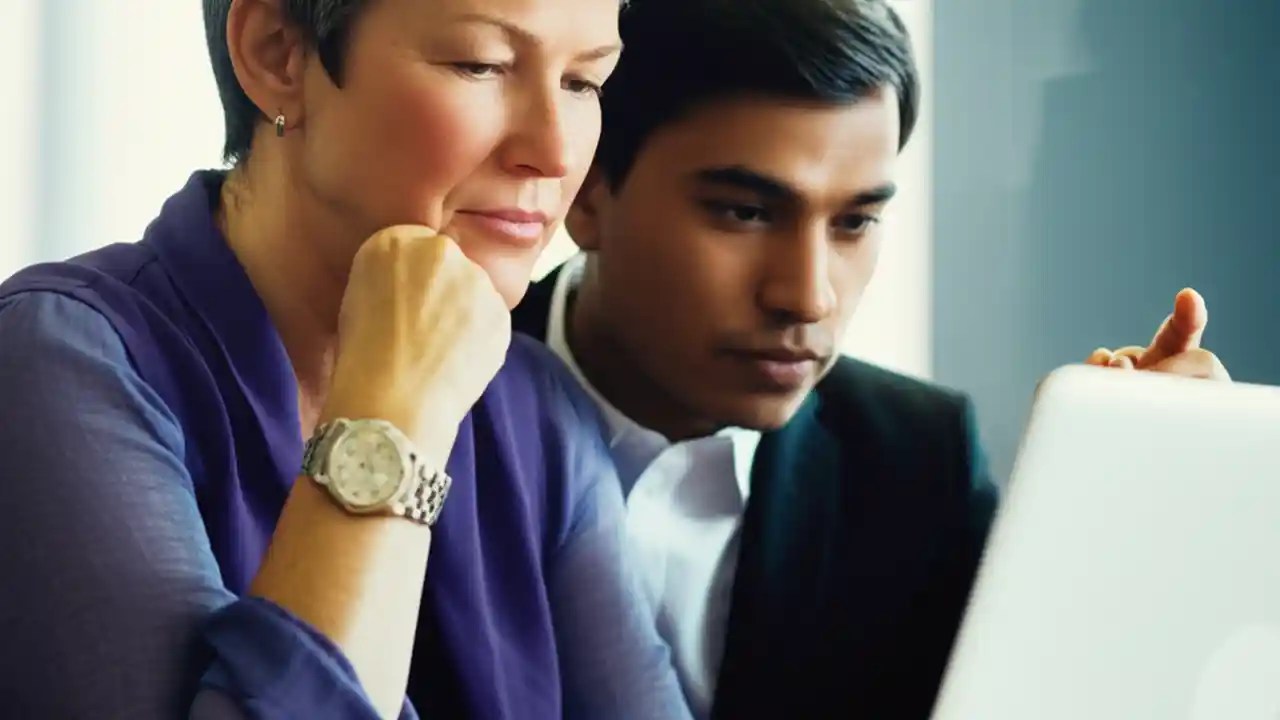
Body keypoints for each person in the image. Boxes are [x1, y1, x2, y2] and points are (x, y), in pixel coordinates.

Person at [511, 0, 1231, 718]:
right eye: (744, 211)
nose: (809, 295)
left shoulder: (919, 462)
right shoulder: (428, 391)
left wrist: (1138, 532)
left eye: (854, 221)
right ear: (590, 189)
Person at [0, 0, 692, 718]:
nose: (554, 152)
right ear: (279, 55)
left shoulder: (538, 413)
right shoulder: (60, 364)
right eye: (480, 64)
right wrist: (394, 415)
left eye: (583, 84)